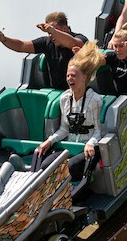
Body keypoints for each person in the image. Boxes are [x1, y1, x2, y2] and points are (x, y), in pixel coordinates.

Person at [33, 42, 108, 183]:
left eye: (73, 76)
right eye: (68, 76)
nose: (69, 79)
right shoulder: (65, 98)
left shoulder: (94, 100)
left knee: (71, 167)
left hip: (86, 149)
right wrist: (49, 141)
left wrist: (91, 143)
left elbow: (98, 131)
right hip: (69, 146)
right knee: (45, 165)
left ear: (84, 78)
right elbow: (64, 129)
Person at [0, 12, 88, 90]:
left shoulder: (80, 38)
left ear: (65, 28)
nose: (50, 35)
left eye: (53, 30)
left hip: (79, 90)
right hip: (57, 93)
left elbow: (73, 43)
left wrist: (52, 31)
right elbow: (21, 46)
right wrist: (4, 39)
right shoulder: (47, 42)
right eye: (48, 32)